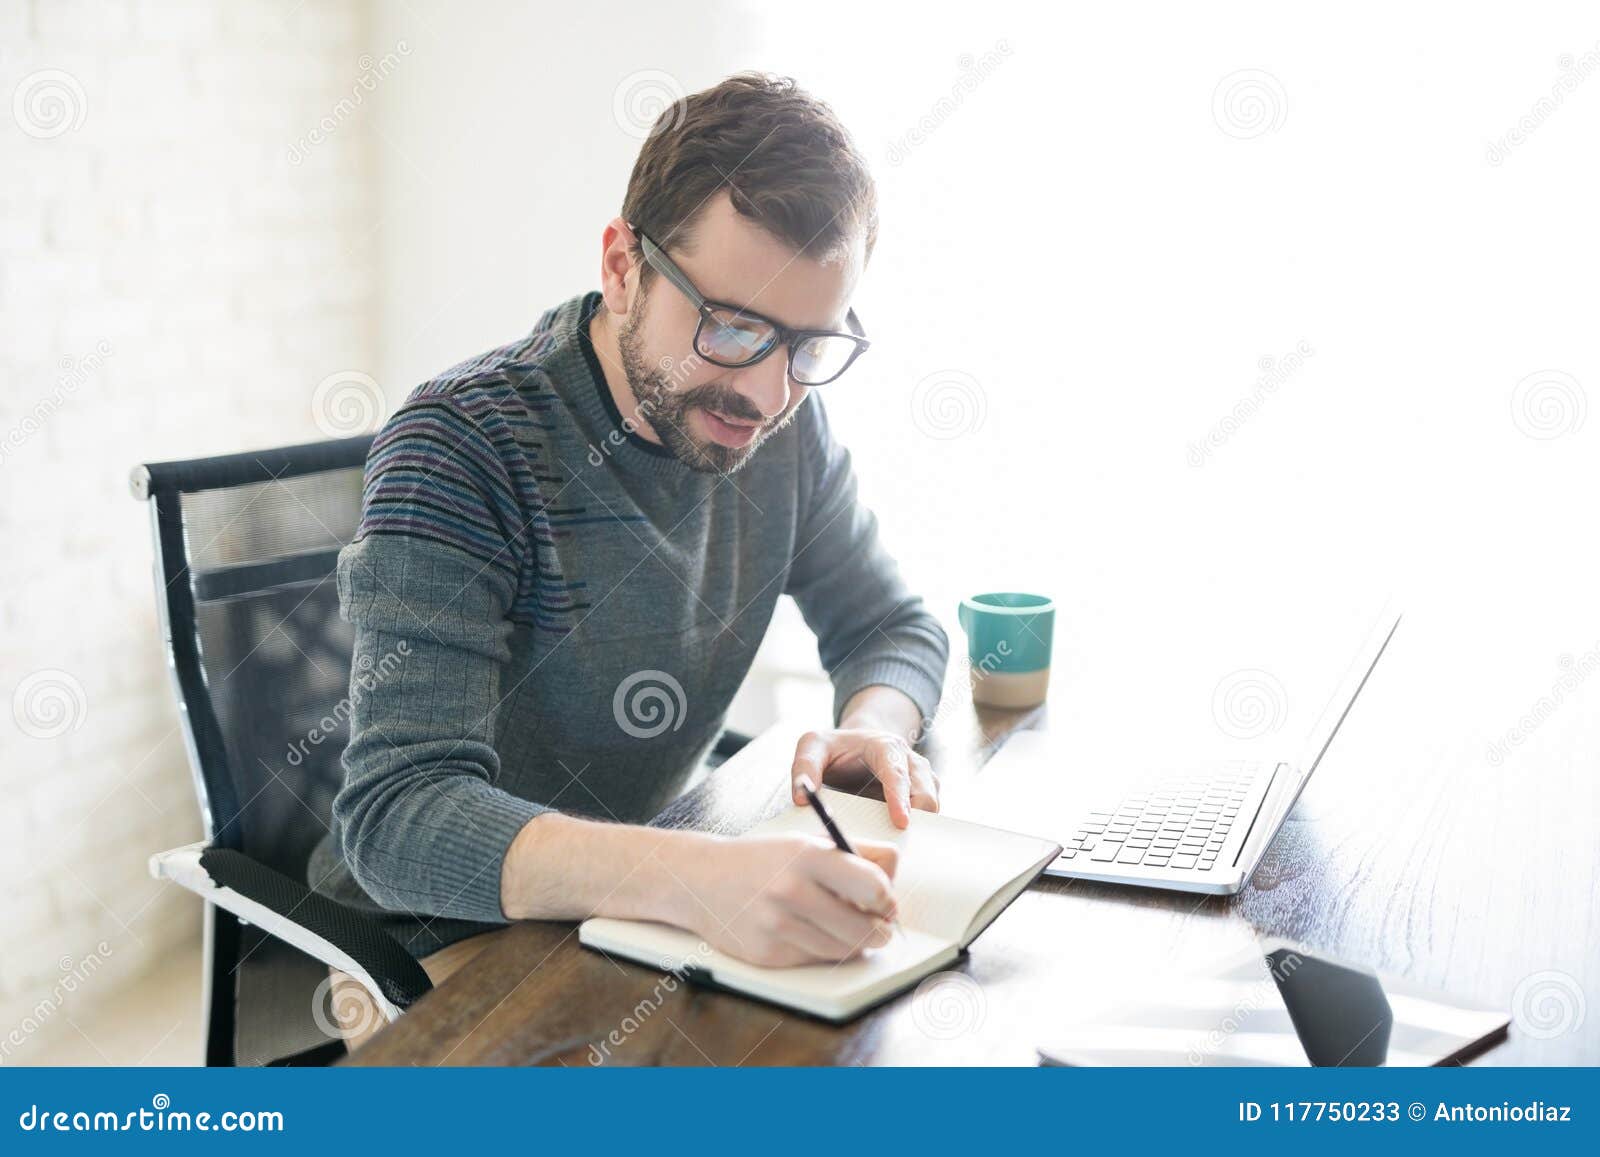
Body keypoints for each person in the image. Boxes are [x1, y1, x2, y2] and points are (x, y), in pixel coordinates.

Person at [307, 73, 948, 1045]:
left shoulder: (786, 433)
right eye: (732, 327)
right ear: (621, 267)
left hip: (651, 888)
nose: (767, 393)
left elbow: (890, 625)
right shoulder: (461, 446)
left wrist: (876, 726)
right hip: (439, 932)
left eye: (807, 346)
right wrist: (693, 879)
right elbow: (400, 817)